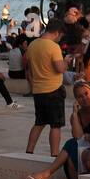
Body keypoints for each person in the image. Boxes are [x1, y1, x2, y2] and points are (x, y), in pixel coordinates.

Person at [23, 80, 90, 179]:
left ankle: (47, 174)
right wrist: (75, 114)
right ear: (76, 100)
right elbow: (78, 137)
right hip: (83, 150)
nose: (84, 98)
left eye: (86, 94)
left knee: (71, 145)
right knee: (71, 151)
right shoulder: (77, 115)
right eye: (80, 96)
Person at [25, 19, 68, 156]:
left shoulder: (32, 45)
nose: (60, 39)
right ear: (57, 33)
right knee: (56, 125)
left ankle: (29, 150)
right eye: (60, 36)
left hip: (38, 90)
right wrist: (66, 62)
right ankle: (54, 154)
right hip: (53, 89)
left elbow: (26, 64)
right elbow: (60, 68)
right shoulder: (53, 47)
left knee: (39, 122)